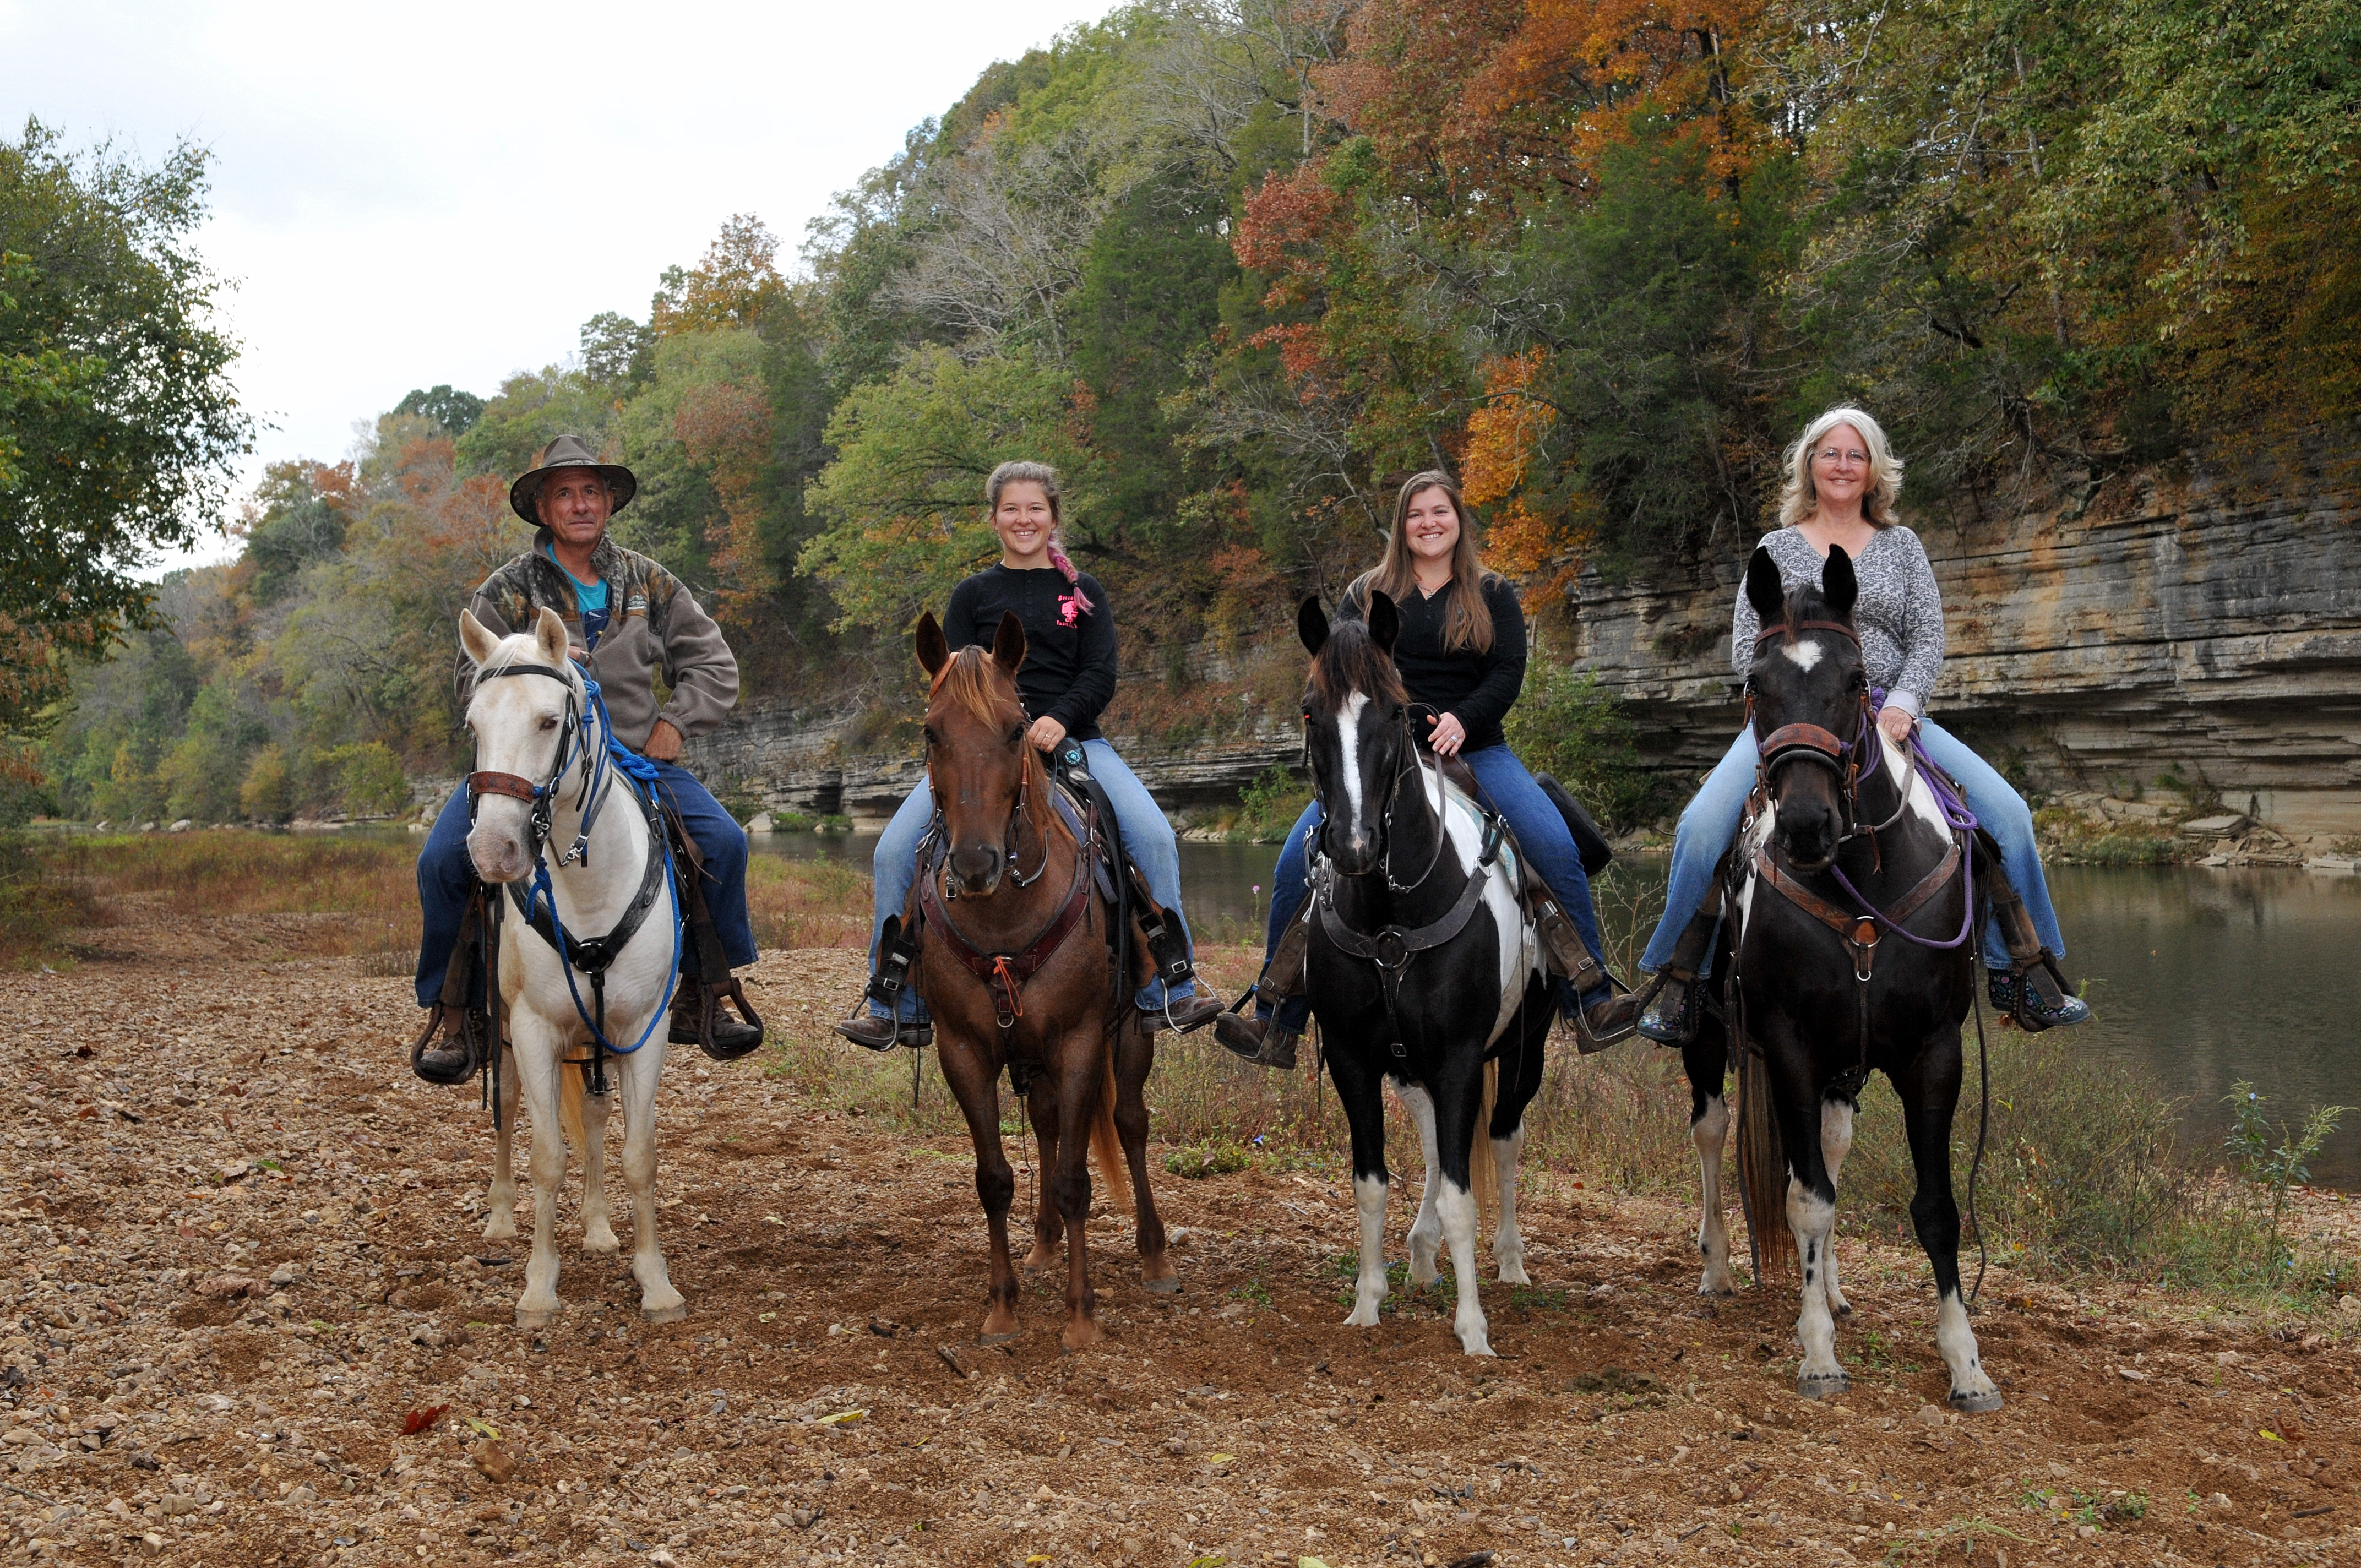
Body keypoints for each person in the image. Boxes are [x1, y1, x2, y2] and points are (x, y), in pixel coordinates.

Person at [1635, 405, 2091, 1042]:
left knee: (2008, 816)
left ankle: (2019, 970)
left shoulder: (1902, 547)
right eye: (1830, 453)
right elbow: (1747, 647)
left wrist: (1903, 700)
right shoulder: (1775, 548)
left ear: (1873, 468)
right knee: (1699, 827)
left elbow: (1928, 636)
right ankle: (1681, 979)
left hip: (1890, 716)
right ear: (1809, 466)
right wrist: (1791, 703)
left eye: (1855, 454)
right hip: (1795, 723)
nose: (1842, 465)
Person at [1214, 470, 1641, 1070]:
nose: (1429, 523)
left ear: (1458, 519)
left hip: (1477, 749)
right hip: (1382, 756)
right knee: (1293, 862)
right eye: (1416, 514)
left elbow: (1507, 672)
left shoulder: (1491, 592)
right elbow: (1338, 673)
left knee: (1552, 845)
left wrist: (1463, 720)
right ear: (1401, 524)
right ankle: (1275, 1017)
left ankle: (1589, 997)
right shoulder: (1366, 592)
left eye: (1439, 511)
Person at [835, 460, 1225, 1050]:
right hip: (985, 750)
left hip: (1077, 743)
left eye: (1035, 508)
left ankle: (1170, 986)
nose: (1024, 519)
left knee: (1153, 836)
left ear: (1053, 517)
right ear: (992, 518)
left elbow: (1100, 670)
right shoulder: (973, 593)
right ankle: (897, 1000)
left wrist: (1058, 718)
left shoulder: (1081, 592)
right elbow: (956, 678)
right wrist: (999, 726)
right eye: (1011, 509)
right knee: (893, 852)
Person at [410, 434, 763, 1082]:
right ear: (543, 508)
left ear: (608, 503)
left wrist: (674, 722)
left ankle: (706, 988)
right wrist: (532, 665)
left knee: (724, 842)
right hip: (526, 764)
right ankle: (455, 1009)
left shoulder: (649, 581)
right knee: (441, 862)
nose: (580, 504)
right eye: (565, 493)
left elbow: (713, 663)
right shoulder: (508, 587)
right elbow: (471, 680)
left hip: (629, 759)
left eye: (591, 491)